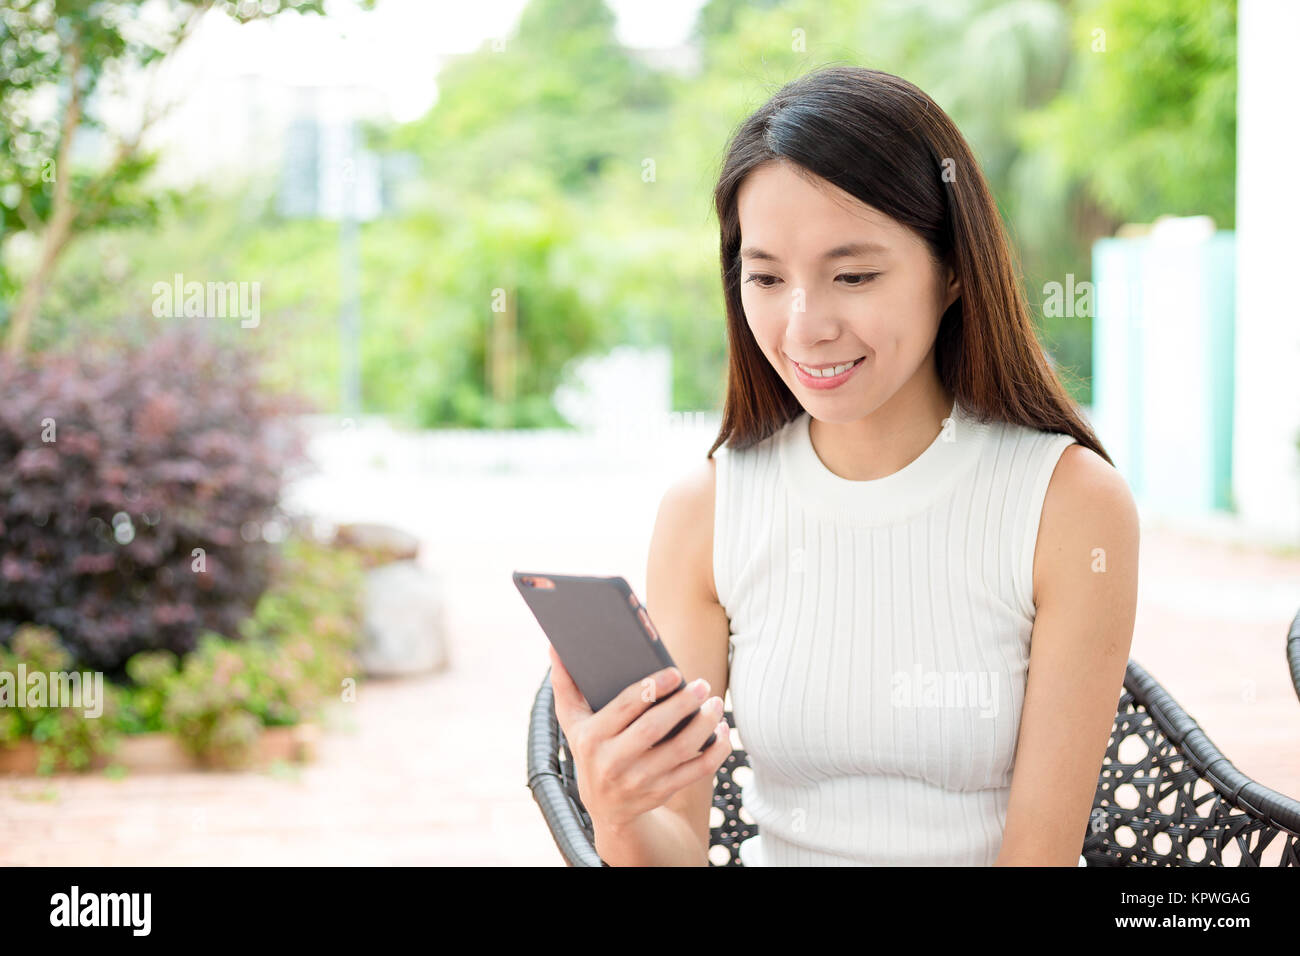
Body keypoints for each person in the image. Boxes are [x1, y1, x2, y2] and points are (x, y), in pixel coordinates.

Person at [548, 65, 1139, 866]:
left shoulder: (1070, 506)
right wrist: (616, 810)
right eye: (765, 277)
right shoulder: (706, 511)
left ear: (954, 269)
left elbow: (1040, 855)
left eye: (854, 275)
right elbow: (679, 841)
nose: (805, 328)